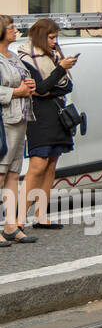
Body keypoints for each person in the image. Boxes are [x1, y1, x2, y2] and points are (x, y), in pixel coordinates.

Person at [16, 17, 78, 229]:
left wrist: (53, 80)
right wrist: (59, 70)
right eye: (51, 37)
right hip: (39, 116)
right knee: (37, 165)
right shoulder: (26, 57)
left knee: (51, 163)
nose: (54, 41)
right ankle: (18, 218)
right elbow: (40, 89)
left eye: (56, 37)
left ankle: (41, 215)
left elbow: (67, 86)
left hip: (56, 114)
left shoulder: (53, 56)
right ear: (42, 37)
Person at [0, 16, 39, 245]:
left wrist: (30, 86)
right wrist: (16, 92)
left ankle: (11, 225)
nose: (16, 30)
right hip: (3, 122)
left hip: (19, 119)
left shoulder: (13, 56)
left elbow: (23, 79)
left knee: (13, 173)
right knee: (2, 173)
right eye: (11, 27)